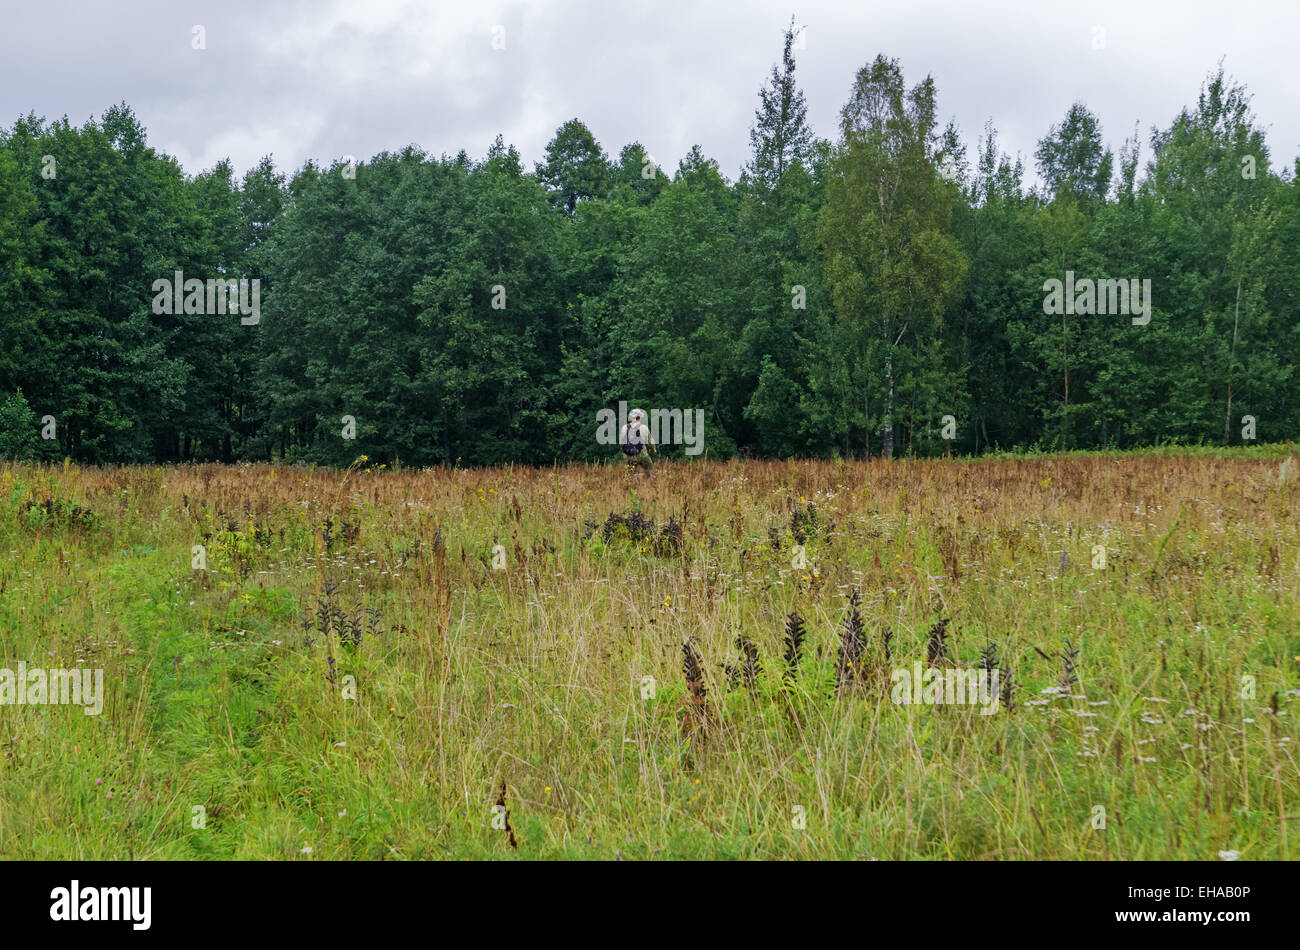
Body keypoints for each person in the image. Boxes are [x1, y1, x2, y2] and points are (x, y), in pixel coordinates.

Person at [620, 407, 656, 473]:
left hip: (628, 456)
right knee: (650, 471)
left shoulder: (624, 427)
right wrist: (653, 449)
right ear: (640, 418)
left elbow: (621, 443)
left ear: (631, 418)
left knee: (630, 475)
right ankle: (648, 482)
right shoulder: (644, 427)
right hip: (642, 454)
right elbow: (650, 442)